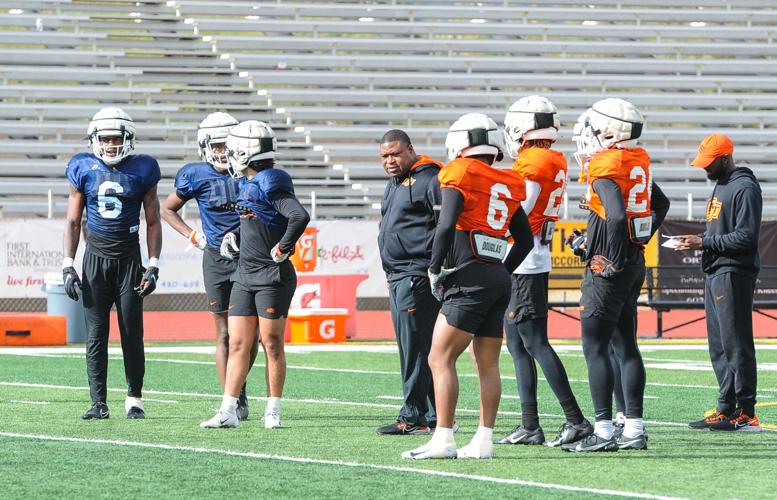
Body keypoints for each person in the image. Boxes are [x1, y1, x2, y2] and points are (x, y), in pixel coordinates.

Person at [401, 113, 533, 460]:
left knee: (439, 356)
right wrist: (500, 270)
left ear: (460, 144)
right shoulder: (507, 181)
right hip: (497, 279)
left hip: (468, 278)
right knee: (486, 363)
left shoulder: (460, 172)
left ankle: (444, 438)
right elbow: (525, 241)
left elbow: (445, 228)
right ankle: (483, 441)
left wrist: (433, 269)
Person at [562, 98, 669, 452]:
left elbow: (618, 217)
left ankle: (605, 430)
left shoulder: (606, 163)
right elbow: (661, 204)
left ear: (609, 131)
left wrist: (612, 256)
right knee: (625, 346)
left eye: (592, 129)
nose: (586, 137)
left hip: (611, 268)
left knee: (595, 348)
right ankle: (634, 428)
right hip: (632, 262)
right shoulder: (636, 159)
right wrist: (633, 245)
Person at [200, 120, 310, 429]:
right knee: (238, 344)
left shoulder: (269, 180)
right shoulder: (252, 183)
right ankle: (228, 410)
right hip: (244, 274)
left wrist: (282, 248)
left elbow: (299, 215)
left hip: (271, 275)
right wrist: (234, 236)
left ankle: (272, 410)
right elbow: (256, 220)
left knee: (271, 343)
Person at [497, 96, 592, 447]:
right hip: (530, 257)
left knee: (534, 342)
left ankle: (576, 420)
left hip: (523, 261)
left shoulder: (533, 162)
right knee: (518, 346)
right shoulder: (549, 158)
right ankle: (530, 425)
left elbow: (516, 213)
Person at [62, 107, 162, 420]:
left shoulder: (143, 168)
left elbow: (154, 220)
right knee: (95, 335)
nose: (110, 145)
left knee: (132, 332)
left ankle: (134, 398)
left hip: (130, 259)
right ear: (94, 139)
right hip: (95, 260)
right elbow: (73, 221)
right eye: (104, 139)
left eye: (115, 138)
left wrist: (154, 264)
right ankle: (98, 402)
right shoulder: (82, 166)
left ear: (128, 139)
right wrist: (68, 264)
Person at [160, 112, 259, 421]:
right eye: (215, 145)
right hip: (216, 258)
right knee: (224, 333)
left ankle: (238, 387)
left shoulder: (249, 171)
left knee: (250, 332)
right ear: (204, 146)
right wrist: (192, 234)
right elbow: (167, 209)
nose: (221, 151)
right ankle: (232, 398)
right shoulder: (195, 174)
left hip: (249, 256)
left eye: (225, 144)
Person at [675, 134, 762, 432]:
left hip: (733, 272)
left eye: (709, 163)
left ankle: (747, 412)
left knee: (736, 343)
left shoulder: (744, 188)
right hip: (716, 271)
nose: (705, 168)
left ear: (725, 159)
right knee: (719, 345)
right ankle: (726, 407)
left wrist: (703, 241)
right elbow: (720, 231)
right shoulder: (721, 185)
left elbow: (746, 236)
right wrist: (699, 241)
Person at [376, 129, 443, 435]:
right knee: (414, 346)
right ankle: (431, 414)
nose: (390, 160)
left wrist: (434, 266)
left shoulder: (429, 180)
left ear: (411, 150)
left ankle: (413, 415)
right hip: (400, 275)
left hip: (416, 275)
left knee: (414, 347)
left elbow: (445, 225)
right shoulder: (394, 184)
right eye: (384, 156)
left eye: (395, 154)